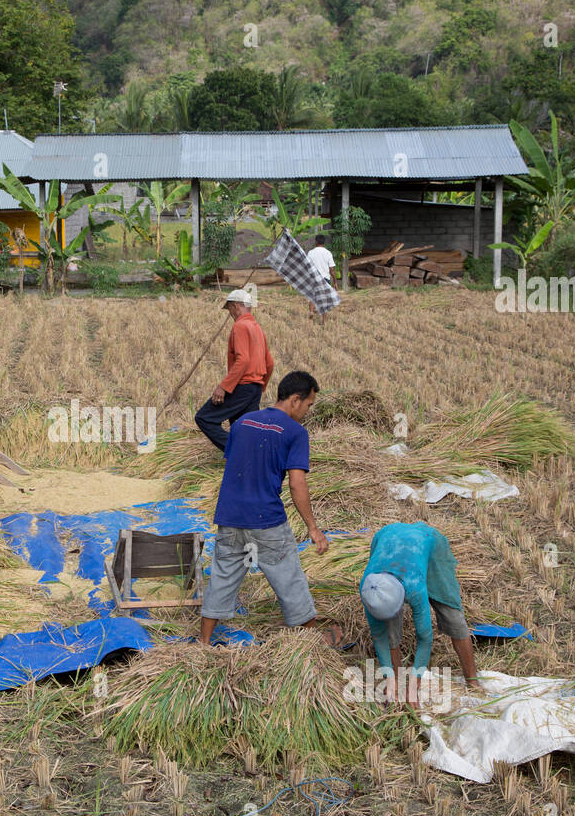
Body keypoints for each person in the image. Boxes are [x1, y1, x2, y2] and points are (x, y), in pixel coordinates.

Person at [197, 371, 346, 648]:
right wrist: (313, 528)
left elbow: (236, 464)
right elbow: (296, 484)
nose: (308, 412)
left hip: (229, 516)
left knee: (223, 575)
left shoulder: (242, 422)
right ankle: (313, 640)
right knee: (289, 577)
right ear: (295, 400)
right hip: (267, 519)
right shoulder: (295, 433)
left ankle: (203, 642)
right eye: (309, 405)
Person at [359, 521, 481, 708]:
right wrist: (390, 678)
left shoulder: (414, 586)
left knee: (452, 616)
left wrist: (415, 683)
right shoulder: (369, 590)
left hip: (427, 543)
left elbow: (425, 638)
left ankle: (472, 681)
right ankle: (397, 685)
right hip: (387, 536)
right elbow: (379, 637)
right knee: (389, 631)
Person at [194, 289, 274, 453]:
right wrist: (260, 387)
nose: (230, 313)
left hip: (242, 386)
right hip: (255, 388)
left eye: (229, 308)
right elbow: (270, 364)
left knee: (204, 418)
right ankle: (253, 461)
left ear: (235, 306)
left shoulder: (240, 326)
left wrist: (224, 387)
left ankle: (238, 452)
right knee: (245, 430)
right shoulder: (257, 328)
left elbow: (242, 360)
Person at [306, 234, 336, 325]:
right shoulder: (328, 253)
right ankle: (324, 321)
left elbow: (308, 266)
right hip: (325, 279)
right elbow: (332, 270)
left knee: (313, 296)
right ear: (324, 242)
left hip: (314, 278)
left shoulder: (311, 252)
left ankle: (311, 311)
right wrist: (335, 282)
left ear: (316, 242)